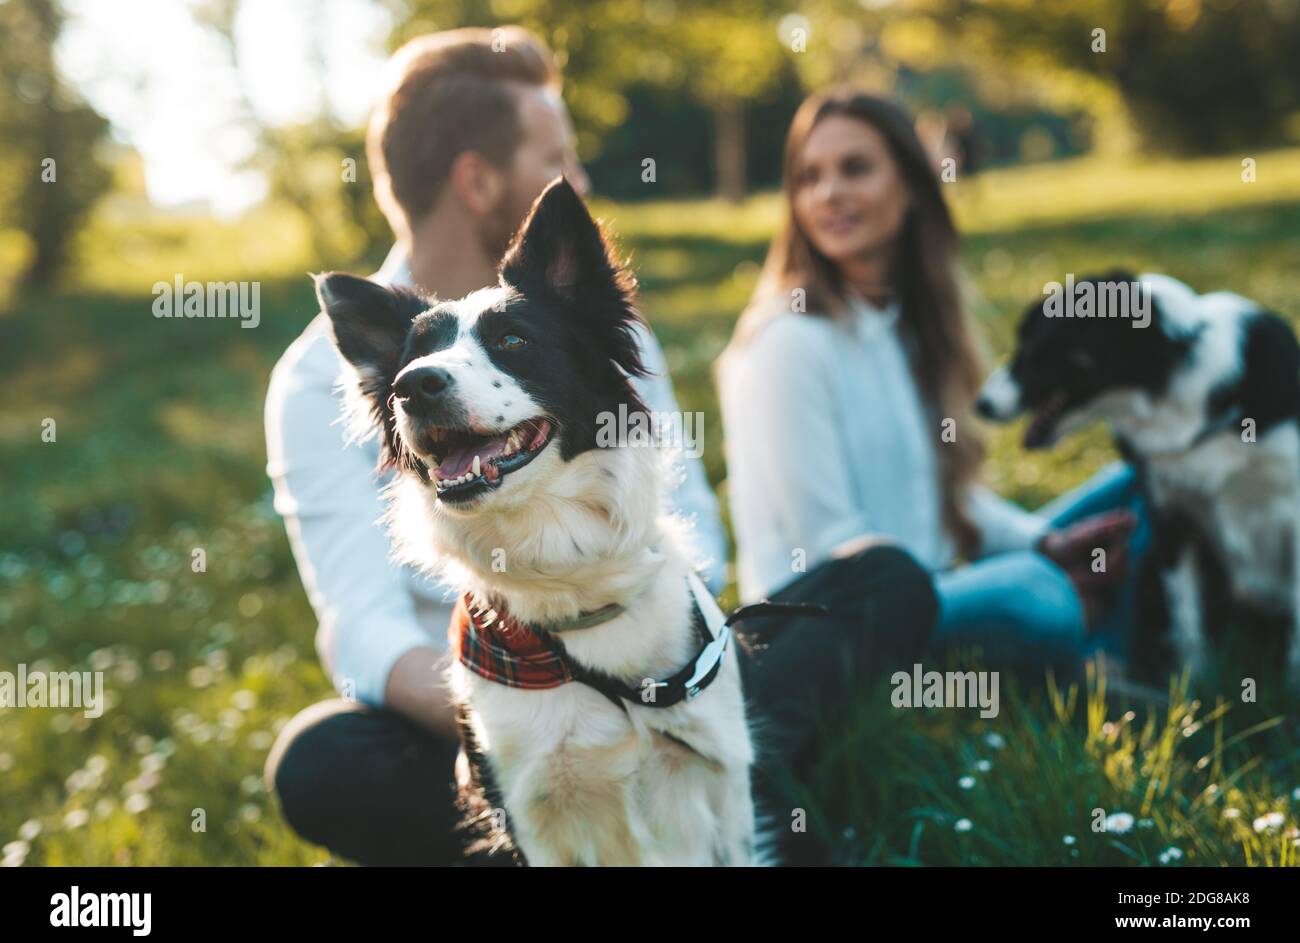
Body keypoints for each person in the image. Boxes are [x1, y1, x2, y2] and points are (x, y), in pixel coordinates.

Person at [263, 33, 936, 866]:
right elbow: (363, 631)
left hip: (665, 658)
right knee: (321, 760)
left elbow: (693, 533)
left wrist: (655, 690)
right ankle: (676, 808)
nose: (580, 184)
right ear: (478, 182)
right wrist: (533, 707)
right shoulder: (321, 378)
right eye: (560, 162)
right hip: (494, 721)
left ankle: (715, 790)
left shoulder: (588, 330)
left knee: (879, 579)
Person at [718, 89, 1145, 682]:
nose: (828, 193)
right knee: (1033, 597)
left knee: (1138, 484)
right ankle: (1090, 656)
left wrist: (1047, 543)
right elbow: (829, 555)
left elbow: (951, 503)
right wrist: (1015, 573)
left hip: (942, 583)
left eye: (855, 169)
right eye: (808, 177)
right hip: (848, 619)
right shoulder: (788, 343)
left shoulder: (907, 327)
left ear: (912, 186)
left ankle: (1114, 659)